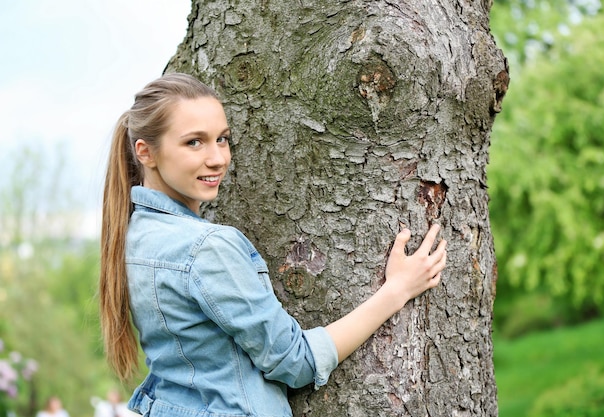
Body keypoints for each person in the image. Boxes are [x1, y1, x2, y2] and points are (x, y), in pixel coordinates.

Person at [99, 73, 447, 417]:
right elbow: (295, 362)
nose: (218, 158)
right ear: (146, 153)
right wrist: (397, 290)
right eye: (194, 142)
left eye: (222, 139)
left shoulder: (133, 237)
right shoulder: (206, 248)